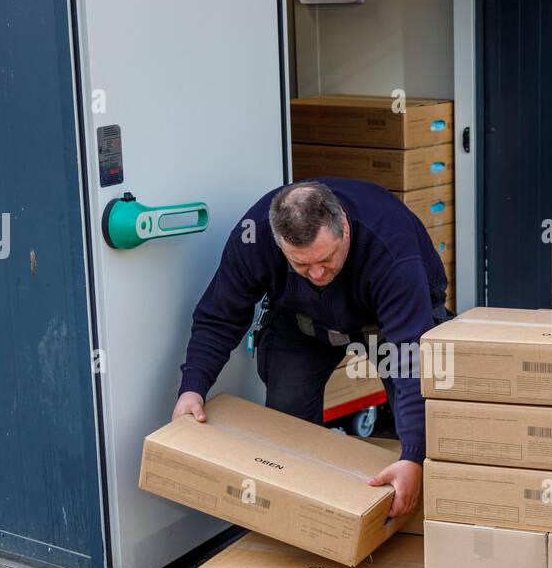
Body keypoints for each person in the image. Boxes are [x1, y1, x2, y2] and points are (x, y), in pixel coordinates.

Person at [173, 178, 449, 518]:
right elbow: (220, 316)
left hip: (387, 324)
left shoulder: (389, 243)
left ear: (344, 227)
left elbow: (411, 357)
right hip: (303, 321)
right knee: (285, 432)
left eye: (327, 258)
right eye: (301, 265)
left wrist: (412, 454)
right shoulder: (254, 236)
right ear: (279, 244)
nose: (317, 273)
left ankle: (428, 520)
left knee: (430, 431)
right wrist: (192, 388)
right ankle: (304, 527)